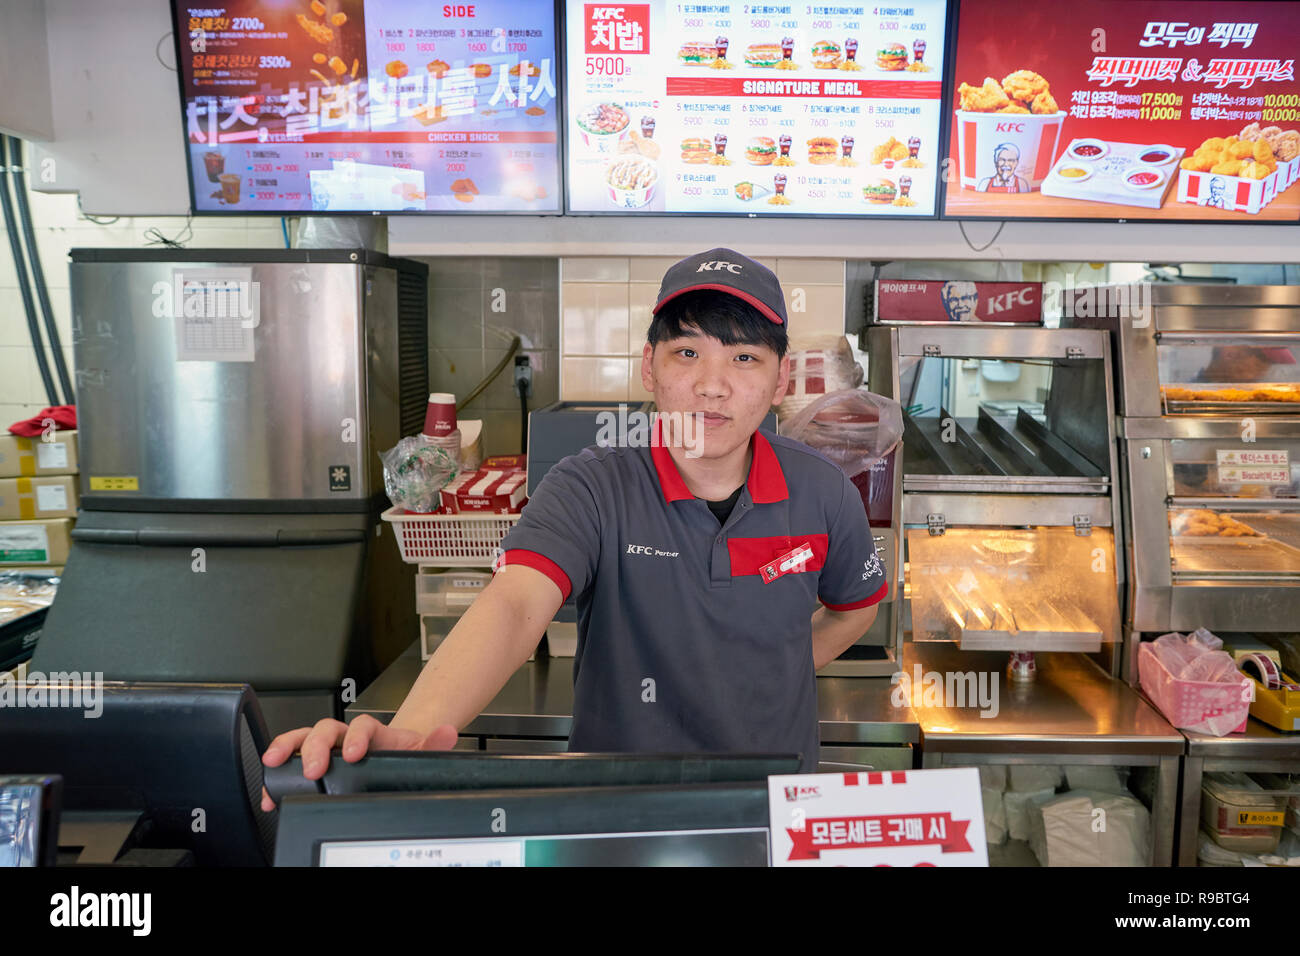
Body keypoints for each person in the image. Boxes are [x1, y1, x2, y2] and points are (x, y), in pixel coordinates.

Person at [261, 248, 887, 806]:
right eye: (687, 352)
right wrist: (412, 733)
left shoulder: (822, 491)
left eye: (744, 357)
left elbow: (855, 607)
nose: (711, 386)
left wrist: (777, 667)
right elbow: (512, 605)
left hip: (776, 806)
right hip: (613, 809)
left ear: (780, 380)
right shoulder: (590, 486)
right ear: (650, 368)